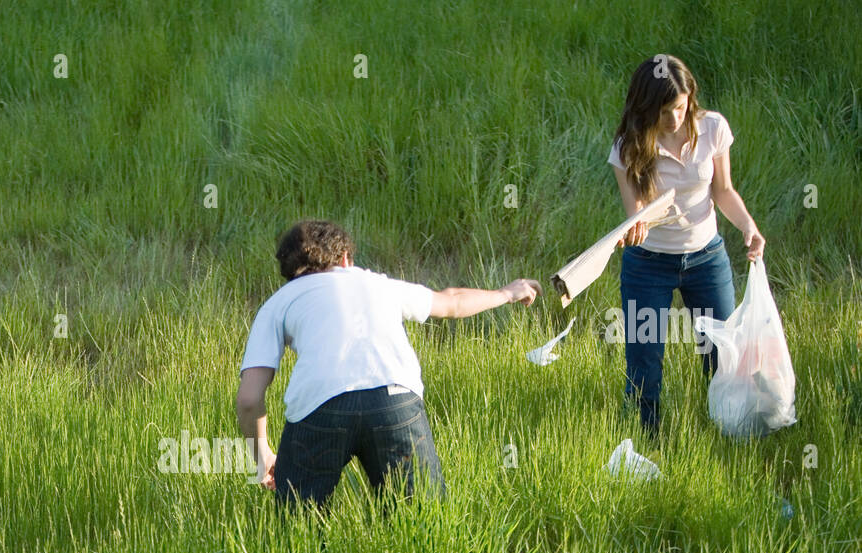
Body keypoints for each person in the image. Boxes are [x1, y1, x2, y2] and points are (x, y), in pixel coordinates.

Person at [235, 219, 540, 509]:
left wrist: (261, 454)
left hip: (318, 409)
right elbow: (452, 302)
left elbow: (249, 399)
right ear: (344, 259)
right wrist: (506, 293)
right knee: (421, 523)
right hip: (395, 399)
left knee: (298, 528)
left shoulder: (278, 302)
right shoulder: (377, 284)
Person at [610, 54, 765, 436]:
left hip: (706, 258)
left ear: (690, 98)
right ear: (645, 108)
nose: (674, 119)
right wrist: (637, 226)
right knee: (644, 359)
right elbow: (636, 212)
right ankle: (649, 440)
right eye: (664, 112)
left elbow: (724, 190)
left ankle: (728, 429)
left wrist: (748, 226)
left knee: (720, 351)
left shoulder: (712, 128)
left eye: (679, 108)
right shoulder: (629, 146)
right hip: (648, 264)